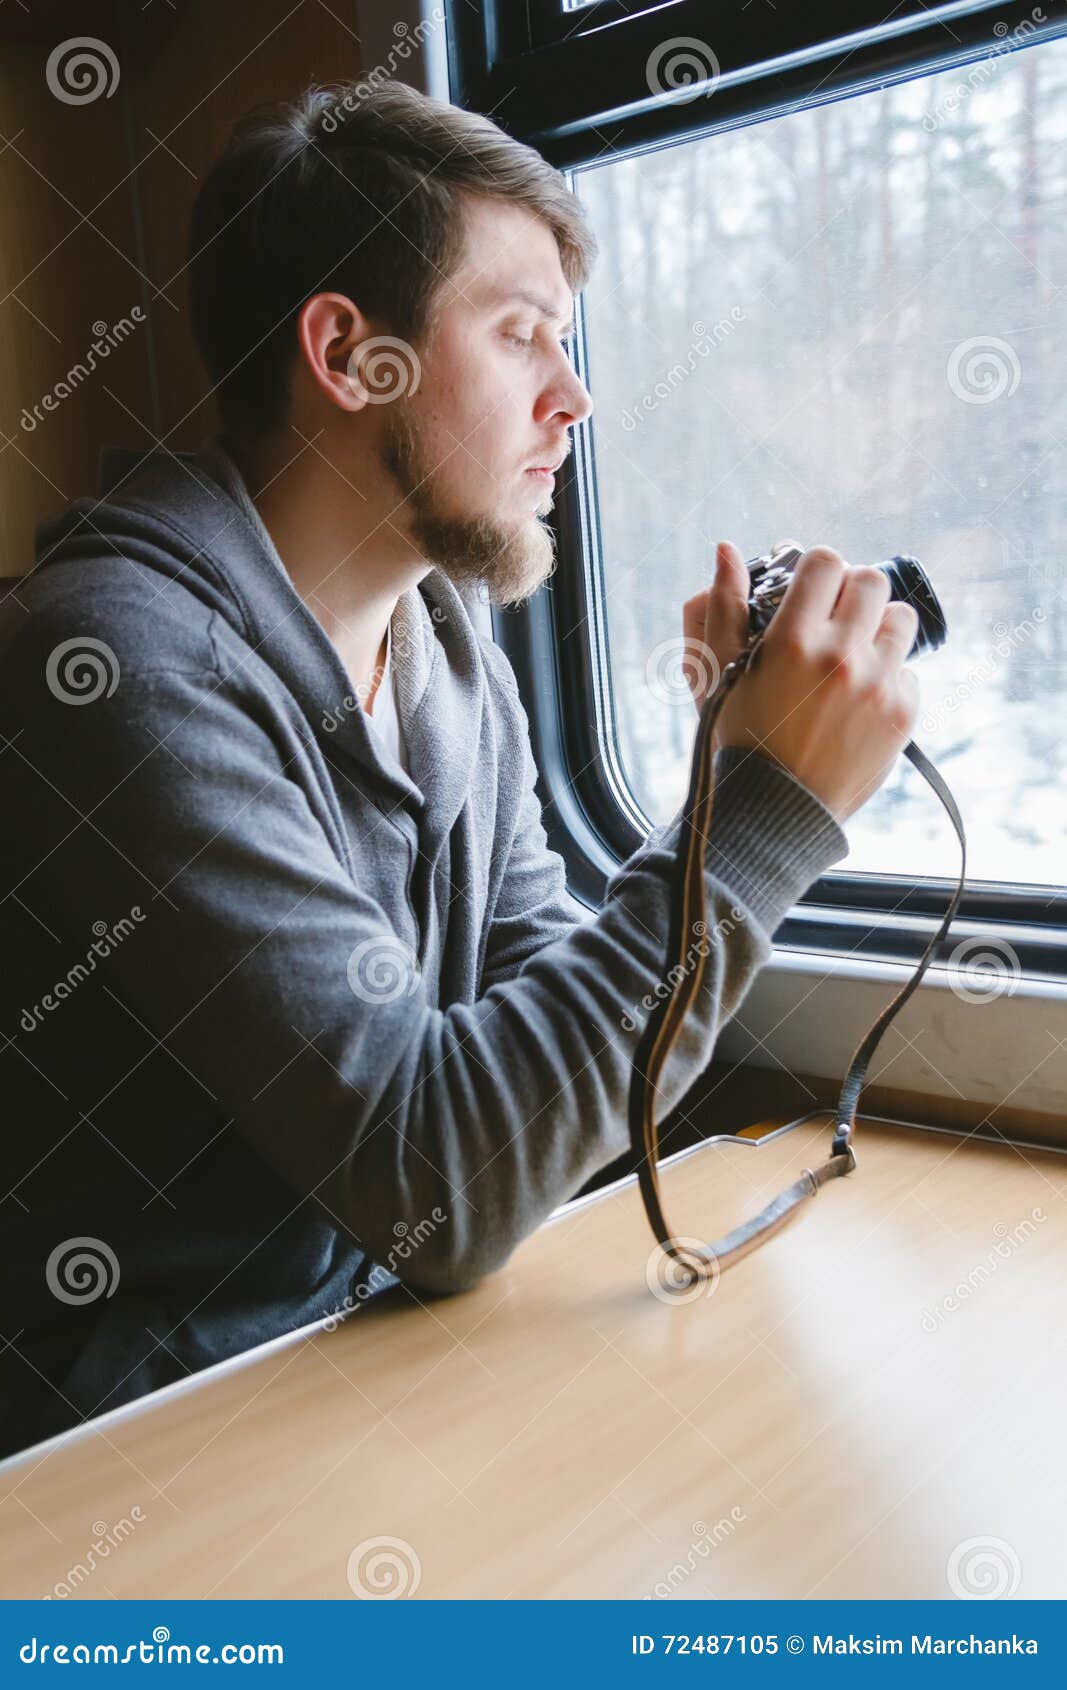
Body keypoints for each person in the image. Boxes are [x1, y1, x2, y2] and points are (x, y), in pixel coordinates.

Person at [0, 79, 918, 1460]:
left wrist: (727, 778)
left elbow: (549, 1047)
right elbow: (434, 1181)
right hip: (134, 1445)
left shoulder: (445, 643)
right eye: (521, 335)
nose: (576, 395)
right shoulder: (114, 663)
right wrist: (762, 818)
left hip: (358, 1366)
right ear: (347, 352)